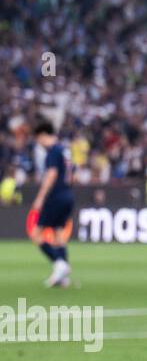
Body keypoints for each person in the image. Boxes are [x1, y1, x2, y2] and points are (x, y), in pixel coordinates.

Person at [28, 120, 75, 289]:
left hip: (55, 196)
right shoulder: (65, 151)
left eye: (38, 139)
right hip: (68, 194)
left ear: (42, 135)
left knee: (36, 233)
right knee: (58, 235)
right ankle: (63, 278)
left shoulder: (53, 151)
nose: (38, 143)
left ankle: (59, 263)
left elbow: (52, 174)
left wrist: (40, 197)